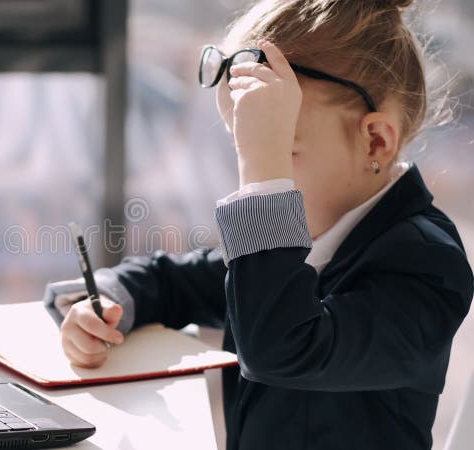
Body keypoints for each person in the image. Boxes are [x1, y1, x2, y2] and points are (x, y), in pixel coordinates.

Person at [42, 0, 474, 449]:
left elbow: (281, 348)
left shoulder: (427, 265)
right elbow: (179, 281)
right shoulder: (314, 227)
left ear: (376, 140)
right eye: (246, 152)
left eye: (277, 154)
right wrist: (108, 299)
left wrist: (266, 181)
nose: (256, 181)